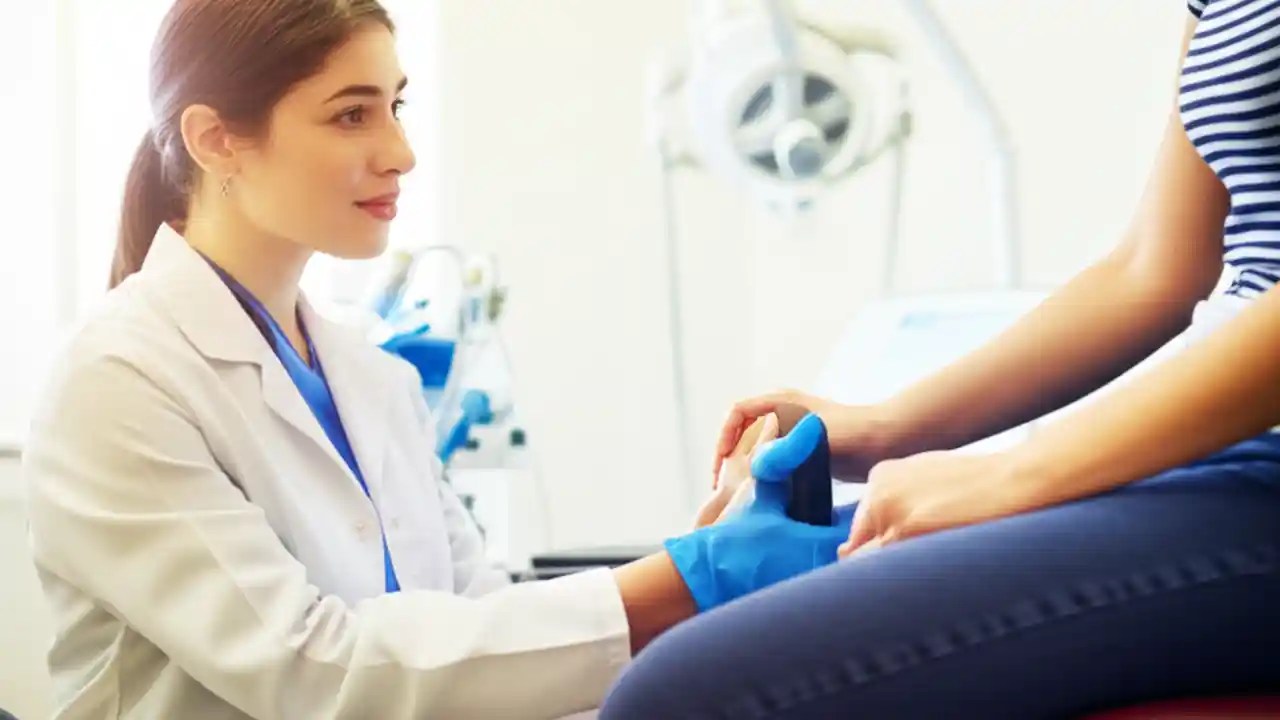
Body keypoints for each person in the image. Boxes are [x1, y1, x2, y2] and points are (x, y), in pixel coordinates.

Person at [20, 2, 851, 718]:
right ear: (215, 139)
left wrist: (700, 565)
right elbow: (311, 670)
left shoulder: (369, 375)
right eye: (352, 115)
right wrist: (684, 581)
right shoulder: (120, 382)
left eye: (395, 106)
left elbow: (482, 629)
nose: (400, 152)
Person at [599, 2, 1280, 718]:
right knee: (698, 594)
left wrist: (1009, 476)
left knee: (677, 697)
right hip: (1207, 462)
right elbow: (1151, 272)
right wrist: (885, 428)